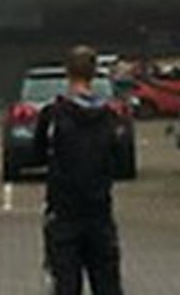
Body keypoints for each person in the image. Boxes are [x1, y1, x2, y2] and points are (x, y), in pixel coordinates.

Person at [32, 45, 125, 295]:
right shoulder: (109, 117)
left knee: (65, 285)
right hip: (99, 213)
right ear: (94, 74)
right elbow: (120, 161)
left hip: (63, 214)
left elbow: (37, 154)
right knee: (107, 284)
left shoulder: (53, 114)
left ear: (67, 72)